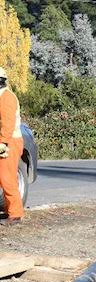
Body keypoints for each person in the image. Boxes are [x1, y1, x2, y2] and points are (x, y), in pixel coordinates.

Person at [0, 67, 23, 226]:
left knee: (7, 178)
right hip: (7, 141)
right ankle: (10, 210)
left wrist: (2, 143)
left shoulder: (6, 98)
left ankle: (15, 214)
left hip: (9, 142)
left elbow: (7, 124)